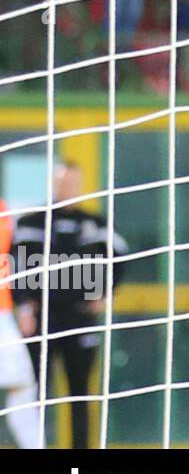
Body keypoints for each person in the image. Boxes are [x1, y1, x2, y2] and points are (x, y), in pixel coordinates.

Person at [11, 162, 130, 449]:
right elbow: (13, 263)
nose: (69, 189)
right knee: (36, 392)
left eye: (74, 183)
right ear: (53, 183)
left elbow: (120, 257)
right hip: (42, 320)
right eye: (64, 182)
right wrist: (23, 306)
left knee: (80, 394)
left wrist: (105, 293)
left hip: (80, 319)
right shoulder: (32, 223)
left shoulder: (96, 224)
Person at [0, 202, 40, 448]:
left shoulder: (4, 211)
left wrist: (23, 306)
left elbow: (13, 260)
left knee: (22, 384)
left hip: (2, 314)